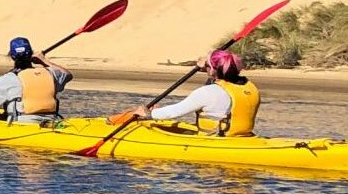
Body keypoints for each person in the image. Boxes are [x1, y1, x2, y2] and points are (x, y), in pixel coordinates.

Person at [107, 49, 260, 136]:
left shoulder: (207, 92)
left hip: (215, 140)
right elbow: (219, 91)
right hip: (243, 136)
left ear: (213, 69)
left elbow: (175, 111)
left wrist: (149, 114)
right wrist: (209, 68)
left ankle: (110, 121)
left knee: (138, 112)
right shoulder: (249, 87)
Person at [0, 37, 73, 125]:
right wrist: (44, 61)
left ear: (12, 56)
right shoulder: (50, 73)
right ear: (31, 54)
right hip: (51, 121)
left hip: (22, 125)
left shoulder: (8, 79)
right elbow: (67, 75)